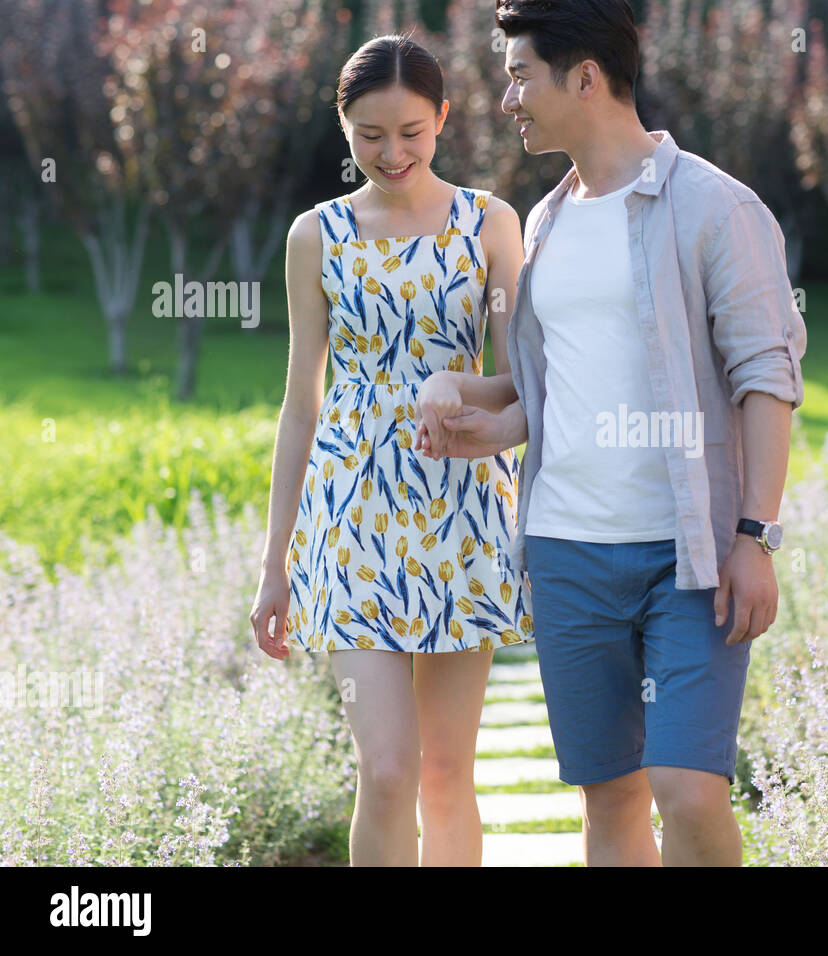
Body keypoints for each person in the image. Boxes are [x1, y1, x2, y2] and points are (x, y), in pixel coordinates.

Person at [415, 0, 807, 867]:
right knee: (611, 794)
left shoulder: (714, 207)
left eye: (521, 76)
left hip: (688, 554)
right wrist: (489, 426)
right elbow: (558, 388)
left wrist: (755, 534)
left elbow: (766, 379)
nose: (508, 98)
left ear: (583, 78)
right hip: (567, 549)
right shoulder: (546, 223)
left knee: (688, 788)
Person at [247, 33, 532, 867]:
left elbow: (520, 380)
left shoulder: (491, 223)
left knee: (446, 772)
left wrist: (455, 395)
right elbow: (301, 406)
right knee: (387, 767)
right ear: (343, 128)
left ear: (442, 117)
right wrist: (277, 565)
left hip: (462, 511)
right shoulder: (317, 234)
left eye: (410, 130)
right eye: (370, 135)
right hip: (350, 521)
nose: (392, 152)